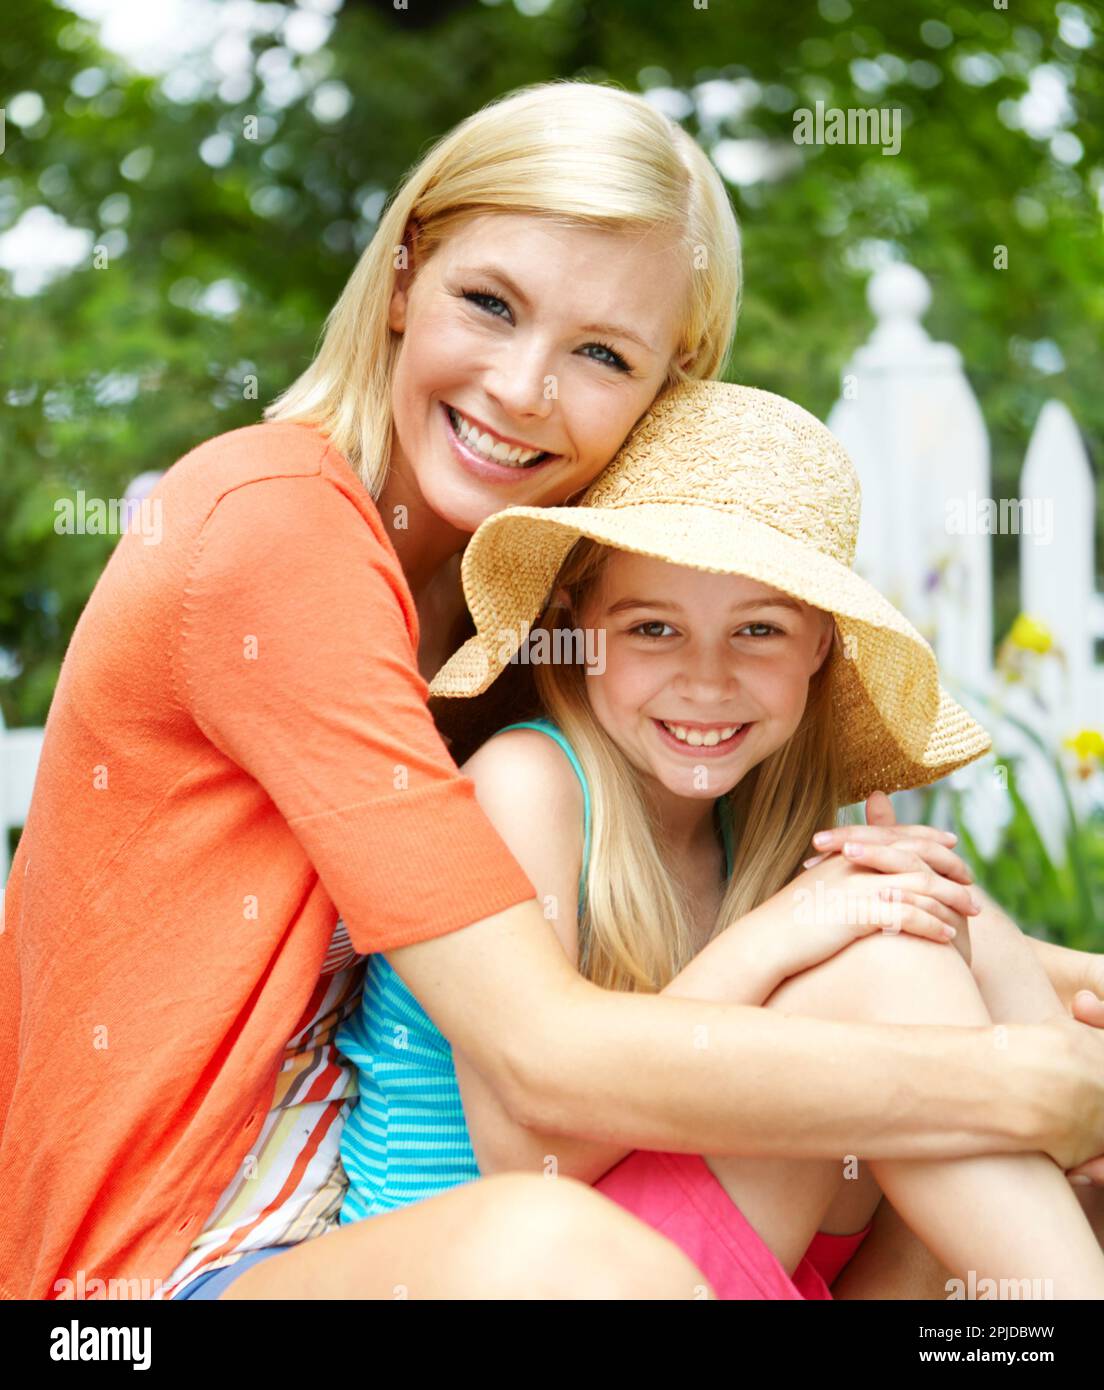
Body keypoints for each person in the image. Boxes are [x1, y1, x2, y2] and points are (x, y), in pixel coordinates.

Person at [4, 80, 1103, 1304]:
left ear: (661, 390)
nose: (525, 388)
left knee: (908, 1014)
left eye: (600, 353)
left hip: (395, 1231)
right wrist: (1023, 1083)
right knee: (559, 1251)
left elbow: (776, 919)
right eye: (489, 302)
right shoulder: (275, 528)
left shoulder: (533, 616)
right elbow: (541, 1058)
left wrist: (1040, 985)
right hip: (152, 1281)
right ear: (406, 273)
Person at [334, 380, 1104, 1299]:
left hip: (727, 1249)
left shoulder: (763, 816)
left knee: (948, 941)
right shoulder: (527, 784)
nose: (707, 682)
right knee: (889, 966)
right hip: (510, 1268)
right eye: (654, 627)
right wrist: (783, 929)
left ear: (821, 646)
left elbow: (994, 959)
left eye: (759, 631)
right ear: (580, 623)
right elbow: (527, 1155)